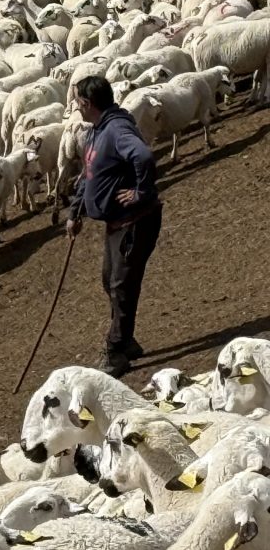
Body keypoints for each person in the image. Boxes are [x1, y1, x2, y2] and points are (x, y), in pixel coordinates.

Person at [66, 74, 162, 377]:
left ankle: (115, 350)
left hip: (134, 223)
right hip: (116, 224)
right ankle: (126, 338)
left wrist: (141, 192)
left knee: (121, 285)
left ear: (86, 102)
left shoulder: (117, 128)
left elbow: (143, 156)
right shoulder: (98, 130)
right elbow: (92, 174)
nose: (76, 106)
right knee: (111, 281)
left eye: (78, 101)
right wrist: (76, 211)